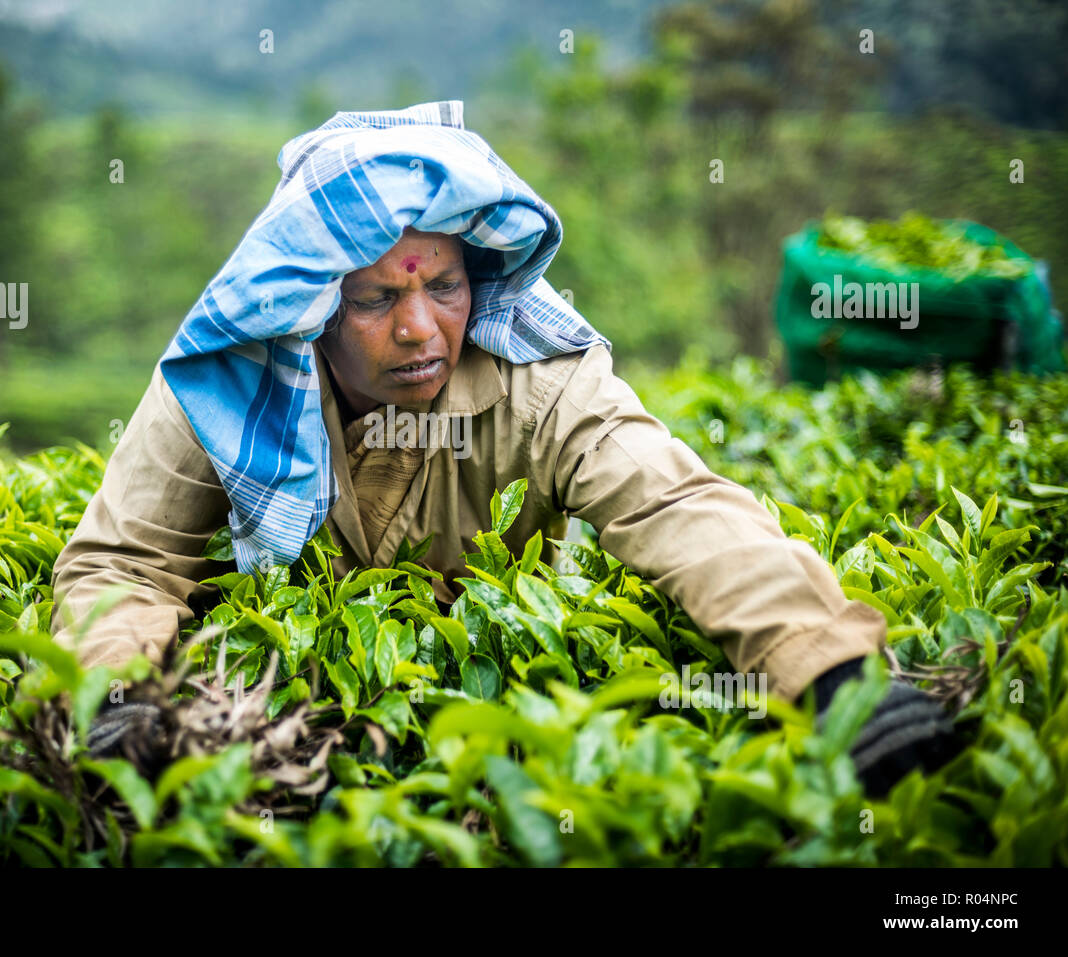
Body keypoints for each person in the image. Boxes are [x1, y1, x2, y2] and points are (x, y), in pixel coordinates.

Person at [51, 101, 960, 796]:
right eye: (375, 301)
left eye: (443, 285)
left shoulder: (541, 380)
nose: (420, 330)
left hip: (491, 717)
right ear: (314, 307)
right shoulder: (225, 386)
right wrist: (114, 691)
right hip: (298, 720)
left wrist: (827, 667)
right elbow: (127, 560)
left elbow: (673, 502)